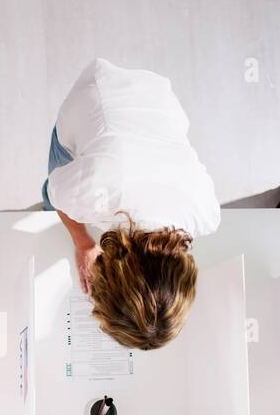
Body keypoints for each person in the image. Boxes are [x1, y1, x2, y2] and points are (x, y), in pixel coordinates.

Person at [42, 58, 220, 351]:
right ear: (107, 275)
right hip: (96, 93)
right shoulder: (94, 189)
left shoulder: (205, 214)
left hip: (159, 100)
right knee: (53, 197)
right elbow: (56, 189)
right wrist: (83, 243)